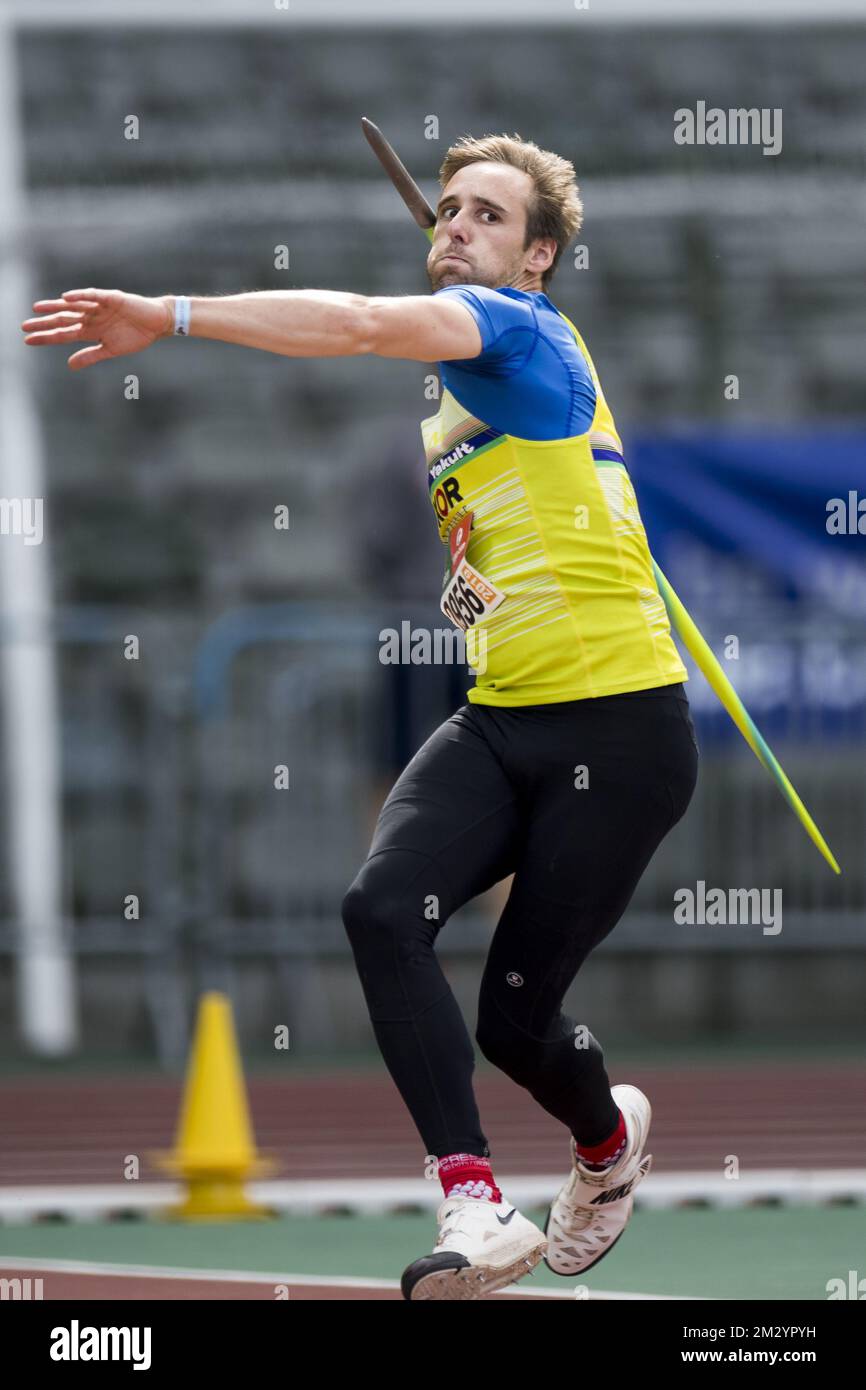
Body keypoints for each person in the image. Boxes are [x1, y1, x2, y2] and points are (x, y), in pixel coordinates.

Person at [21, 131, 699, 1302]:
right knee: (379, 906)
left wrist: (168, 314)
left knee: (516, 1023)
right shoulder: (466, 368)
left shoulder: (518, 330)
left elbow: (347, 322)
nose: (452, 226)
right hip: (502, 713)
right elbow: (378, 334)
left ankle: (605, 1143)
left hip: (617, 730)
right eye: (445, 209)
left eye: (486, 215)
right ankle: (474, 1199)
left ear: (538, 257)